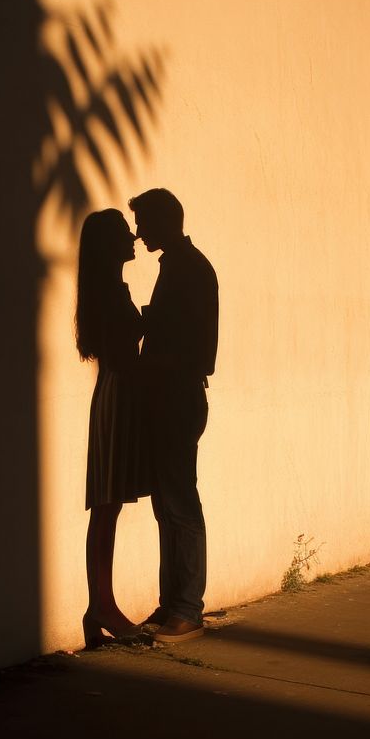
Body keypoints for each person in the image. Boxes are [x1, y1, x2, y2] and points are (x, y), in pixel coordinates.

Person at [128, 188, 219, 643]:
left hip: (178, 397)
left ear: (166, 221)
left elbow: (195, 351)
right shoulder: (179, 266)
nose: (139, 232)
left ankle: (187, 608)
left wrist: (147, 360)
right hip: (170, 397)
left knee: (179, 502)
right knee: (168, 503)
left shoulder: (189, 269)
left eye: (144, 222)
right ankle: (173, 604)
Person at [76, 209, 150, 648]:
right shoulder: (109, 292)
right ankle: (101, 605)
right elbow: (123, 350)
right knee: (106, 507)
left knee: (108, 507)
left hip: (115, 394)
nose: (134, 238)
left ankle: (99, 606)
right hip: (118, 396)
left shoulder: (106, 289)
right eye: (125, 233)